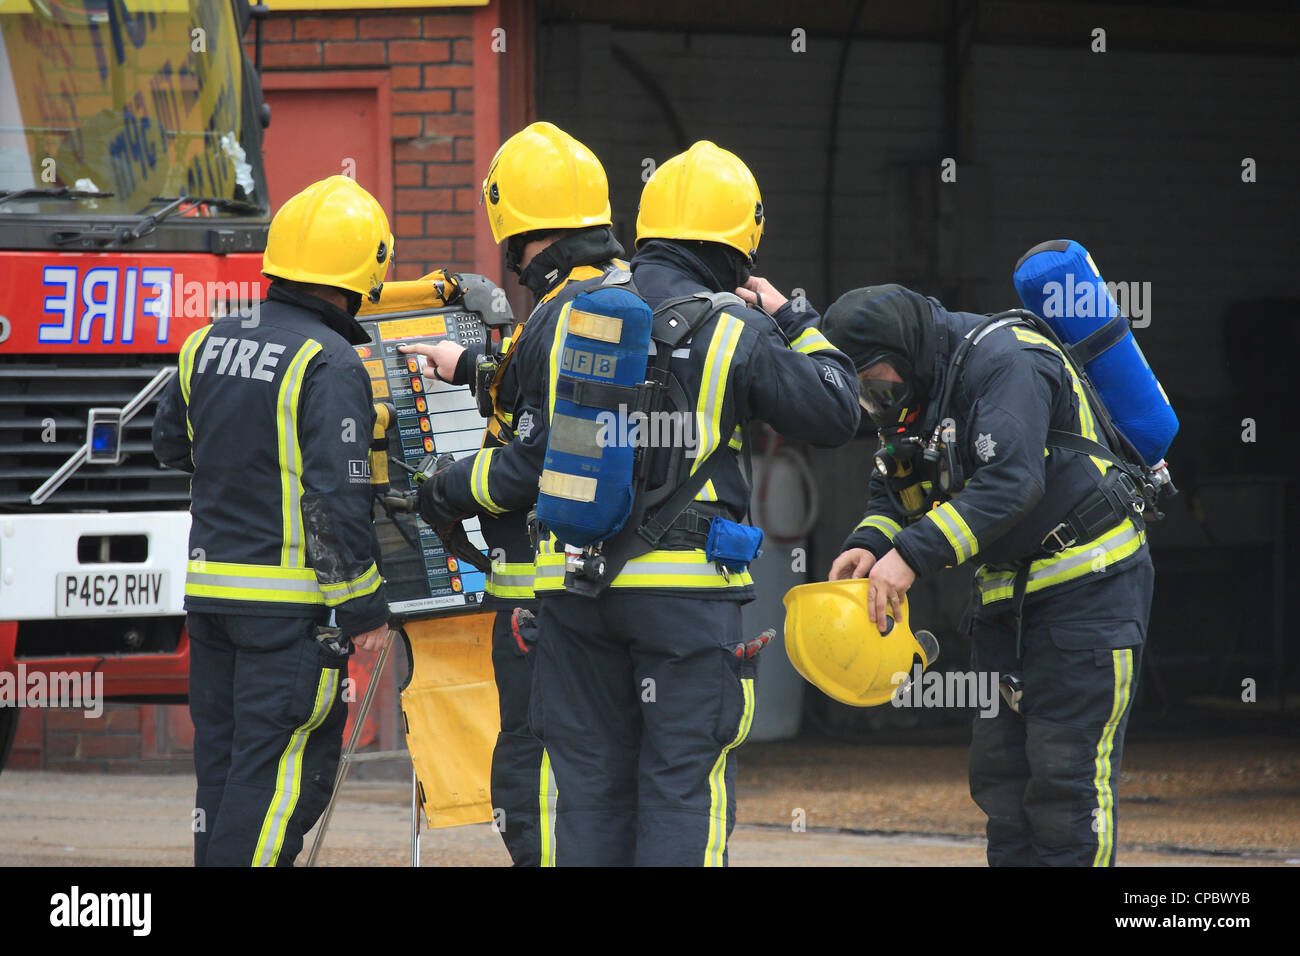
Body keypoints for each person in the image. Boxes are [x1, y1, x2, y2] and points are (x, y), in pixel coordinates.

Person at [527, 141, 861, 866]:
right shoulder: (737, 327)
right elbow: (837, 413)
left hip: (574, 589)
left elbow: (523, 453)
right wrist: (796, 318)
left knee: (587, 786)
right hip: (684, 599)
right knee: (682, 783)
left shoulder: (564, 316)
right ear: (737, 247)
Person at [822, 284, 1155, 867]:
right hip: (1008, 601)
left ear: (905, 352)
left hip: (1088, 591)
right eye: (864, 396)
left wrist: (912, 555)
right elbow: (896, 479)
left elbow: (1011, 483)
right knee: (1003, 789)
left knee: (1065, 788)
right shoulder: (923, 388)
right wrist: (872, 542)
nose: (876, 405)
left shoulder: (1006, 361)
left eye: (878, 386)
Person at [402, 121, 626, 866]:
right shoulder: (617, 298)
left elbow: (533, 463)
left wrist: (445, 488)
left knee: (530, 771)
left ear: (519, 235)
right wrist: (467, 364)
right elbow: (563, 396)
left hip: (545, 600)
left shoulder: (557, 318)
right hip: (617, 589)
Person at [152, 175, 392, 866]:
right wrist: (364, 609)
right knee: (280, 782)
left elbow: (173, 446)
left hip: (212, 604)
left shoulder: (208, 342)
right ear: (361, 273)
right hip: (288, 618)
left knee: (225, 778)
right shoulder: (332, 361)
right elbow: (334, 497)